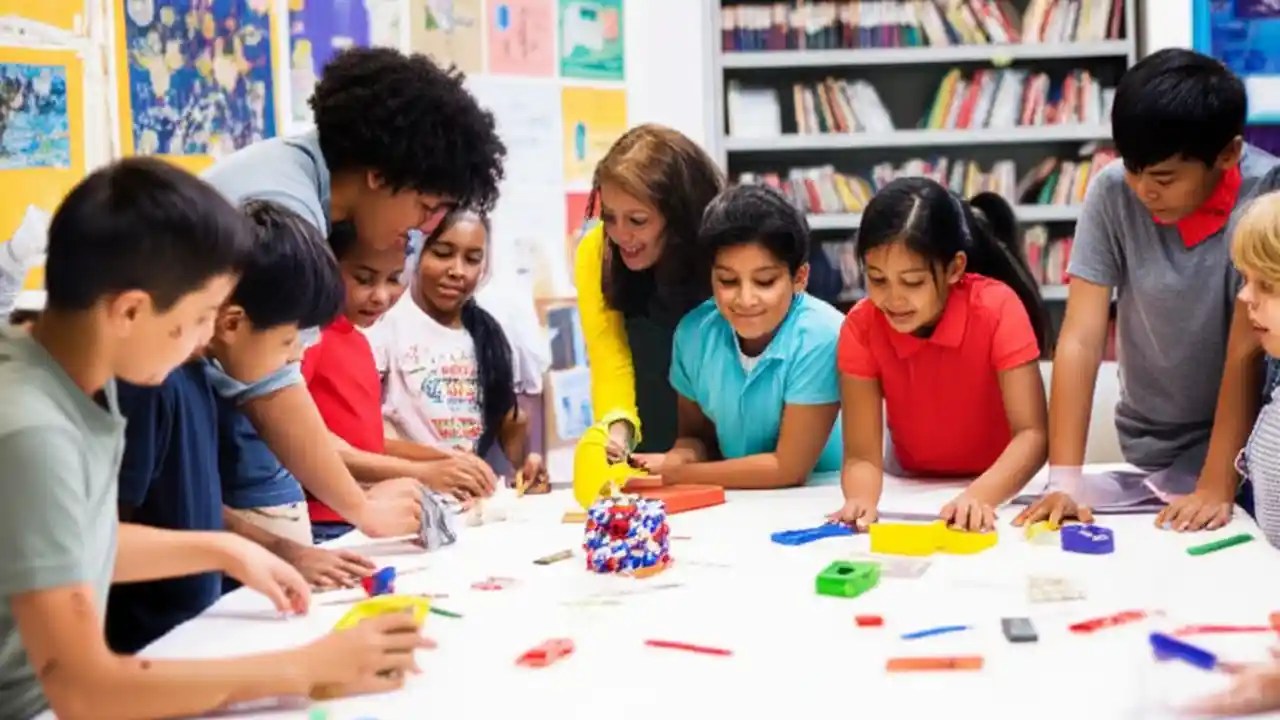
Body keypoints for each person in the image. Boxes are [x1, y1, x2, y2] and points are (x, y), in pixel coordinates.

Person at [0, 158, 427, 720]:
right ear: (130, 311)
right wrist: (307, 666)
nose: (207, 338)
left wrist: (225, 547)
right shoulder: (34, 429)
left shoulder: (65, 369)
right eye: (202, 316)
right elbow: (83, 689)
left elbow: (68, 544)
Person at [198, 46, 507, 541]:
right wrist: (362, 507)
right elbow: (269, 388)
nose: (422, 227)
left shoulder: (296, 174)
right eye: (425, 207)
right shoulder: (286, 208)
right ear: (378, 176)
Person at [1015, 49, 1279, 531]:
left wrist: (1217, 484)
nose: (1141, 189)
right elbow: (1081, 336)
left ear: (1228, 155)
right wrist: (1064, 481)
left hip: (1246, 453)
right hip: (1149, 449)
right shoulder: (1112, 190)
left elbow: (1247, 349)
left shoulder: (1266, 195)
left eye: (1162, 178)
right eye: (1131, 167)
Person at [107, 201, 380, 654]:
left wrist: (284, 551)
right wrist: (230, 553)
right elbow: (106, 540)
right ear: (233, 322)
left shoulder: (202, 374)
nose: (295, 359)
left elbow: (185, 504)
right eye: (289, 341)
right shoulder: (153, 383)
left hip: (202, 627)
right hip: (150, 647)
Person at [832, 178, 1050, 532]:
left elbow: (1033, 435)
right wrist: (860, 500)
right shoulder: (861, 326)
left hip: (1003, 488)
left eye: (913, 282)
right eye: (877, 279)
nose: (894, 299)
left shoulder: (997, 308)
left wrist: (980, 495)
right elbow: (860, 455)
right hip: (912, 488)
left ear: (955, 268)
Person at [631, 184, 843, 488]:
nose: (746, 299)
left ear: (799, 278)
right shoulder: (694, 335)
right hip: (737, 500)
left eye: (765, 281)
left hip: (820, 498)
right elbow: (697, 436)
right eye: (728, 280)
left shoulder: (821, 335)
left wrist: (678, 474)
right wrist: (680, 456)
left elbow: (788, 468)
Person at [303, 221, 498, 542]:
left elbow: (368, 443)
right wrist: (426, 473)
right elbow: (310, 446)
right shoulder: (311, 338)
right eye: (364, 279)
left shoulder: (358, 341)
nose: (380, 296)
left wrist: (446, 459)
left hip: (364, 515)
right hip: (327, 521)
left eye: (394, 279)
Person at [574, 124, 725, 462]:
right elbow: (609, 355)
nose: (620, 234)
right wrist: (618, 428)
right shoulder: (595, 253)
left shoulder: (718, 250)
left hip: (731, 446)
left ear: (678, 216)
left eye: (638, 220)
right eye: (610, 217)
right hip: (645, 446)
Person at [367, 210, 547, 487]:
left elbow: (507, 423)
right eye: (442, 253)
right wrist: (441, 461)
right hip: (405, 497)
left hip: (469, 504)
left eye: (472, 259)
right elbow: (362, 438)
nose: (458, 271)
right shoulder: (383, 328)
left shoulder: (487, 334)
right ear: (415, 254)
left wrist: (525, 466)